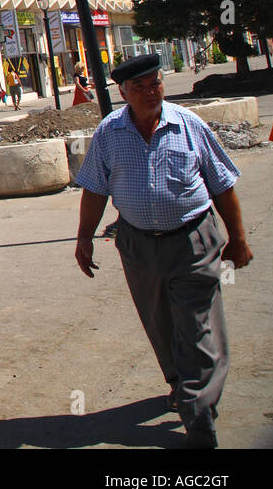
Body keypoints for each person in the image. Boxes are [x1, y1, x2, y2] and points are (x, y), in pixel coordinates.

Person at [73, 53, 252, 449]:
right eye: (140, 86)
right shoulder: (109, 132)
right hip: (137, 245)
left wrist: (237, 238)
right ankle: (179, 383)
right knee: (160, 325)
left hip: (193, 241)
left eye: (156, 83)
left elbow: (221, 184)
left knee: (199, 328)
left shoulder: (189, 125)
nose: (151, 91)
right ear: (123, 92)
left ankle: (200, 416)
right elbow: (95, 189)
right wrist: (84, 237)